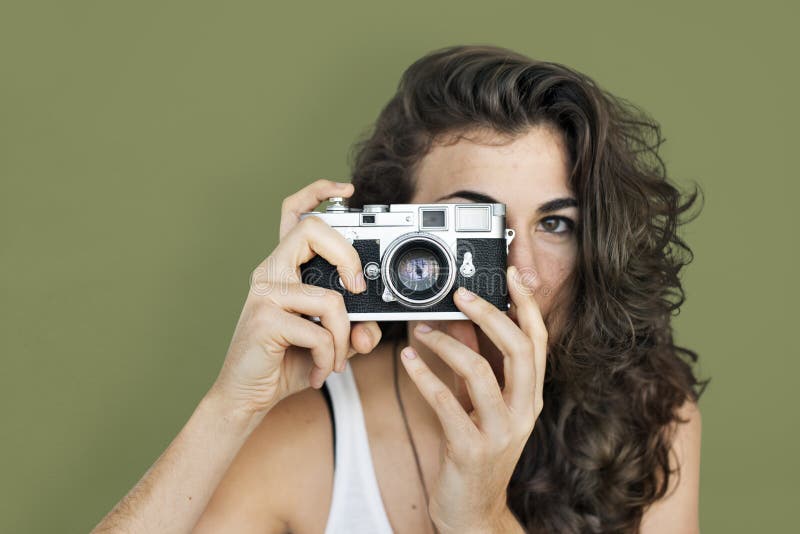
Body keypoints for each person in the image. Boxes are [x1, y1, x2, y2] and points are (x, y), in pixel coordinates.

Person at [93, 45, 706, 534]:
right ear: (386, 233)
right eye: (474, 228)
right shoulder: (306, 438)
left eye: (555, 224)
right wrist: (232, 405)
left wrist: (479, 519)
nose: (521, 270)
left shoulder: (652, 416)